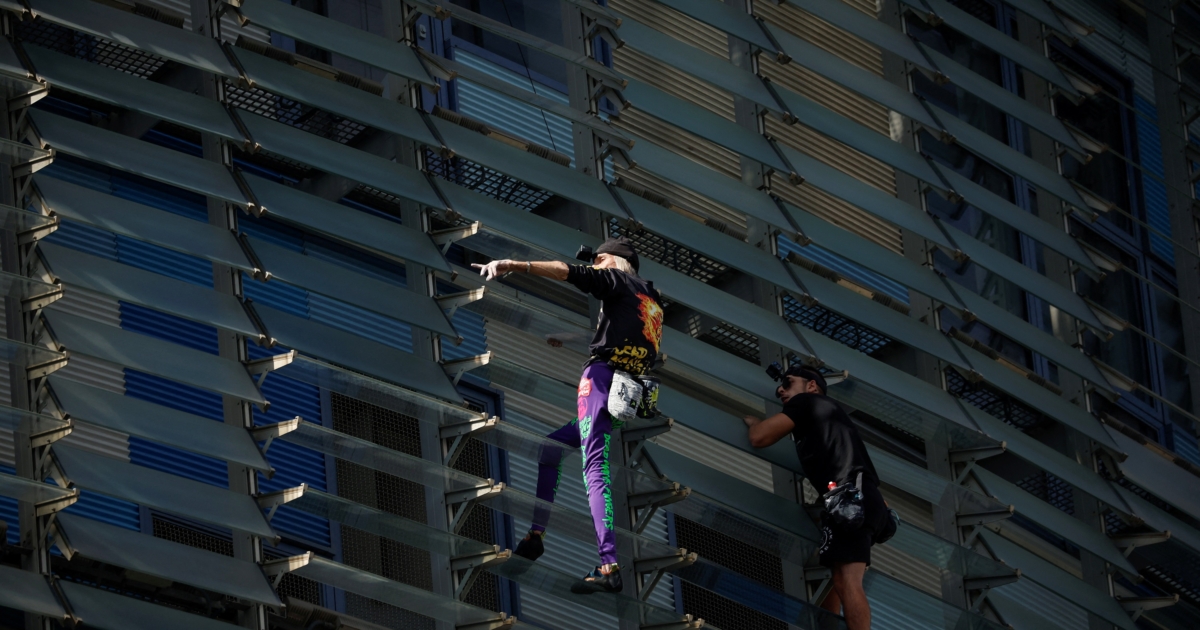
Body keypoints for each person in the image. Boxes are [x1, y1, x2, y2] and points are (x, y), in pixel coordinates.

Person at [471, 237, 664, 594]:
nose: (596, 266)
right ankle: (535, 537)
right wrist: (574, 337)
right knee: (552, 448)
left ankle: (609, 565)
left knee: (595, 468)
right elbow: (621, 334)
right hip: (627, 394)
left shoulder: (615, 279)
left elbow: (566, 272)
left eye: (599, 261)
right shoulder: (649, 298)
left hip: (602, 383)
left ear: (611, 261)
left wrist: (512, 264)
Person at [741, 366, 891, 630]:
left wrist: (754, 422)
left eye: (788, 383)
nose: (780, 390)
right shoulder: (831, 417)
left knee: (846, 580)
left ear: (811, 386)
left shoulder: (807, 401)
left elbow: (759, 437)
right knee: (838, 578)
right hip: (863, 500)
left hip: (849, 500)